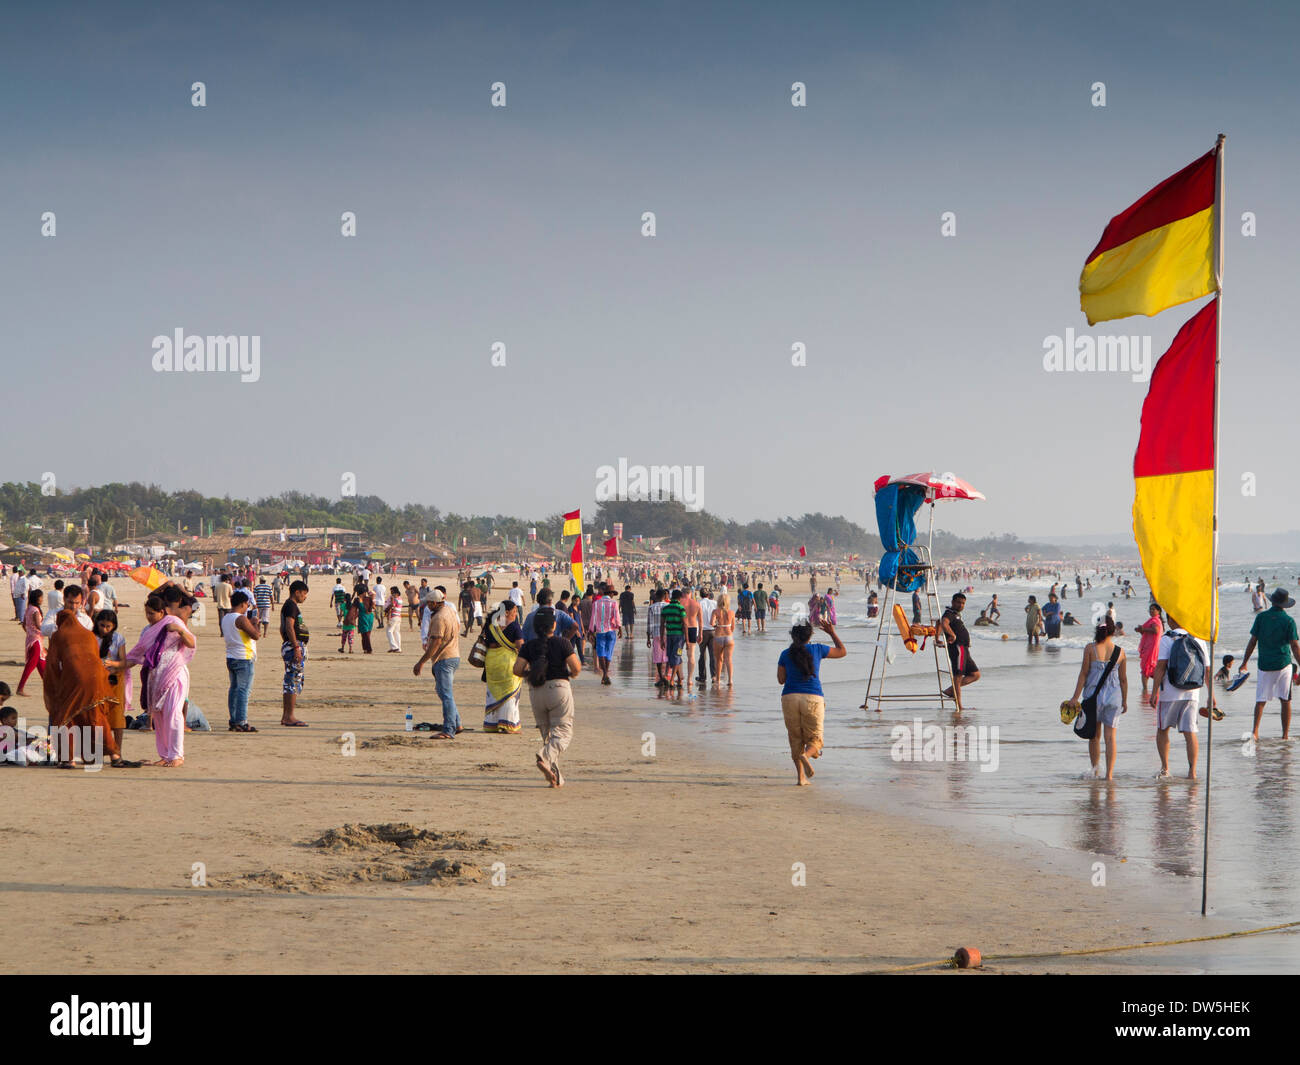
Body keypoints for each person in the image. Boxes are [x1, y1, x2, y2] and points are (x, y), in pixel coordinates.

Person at [45, 604, 137, 768]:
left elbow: (52, 665)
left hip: (75, 680)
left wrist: (56, 687)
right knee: (97, 716)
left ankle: (68, 759)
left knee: (67, 716)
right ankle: (115, 755)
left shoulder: (59, 635)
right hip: (98, 679)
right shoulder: (88, 634)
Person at [126, 586, 197, 767]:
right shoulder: (148, 630)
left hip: (175, 674)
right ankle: (165, 755)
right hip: (156, 677)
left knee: (174, 713)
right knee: (159, 716)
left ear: (162, 611)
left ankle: (177, 755)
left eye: (152, 613)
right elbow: (137, 653)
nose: (149, 617)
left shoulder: (174, 622)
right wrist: (118, 666)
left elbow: (190, 643)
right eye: (147, 613)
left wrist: (180, 631)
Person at [513, 610, 581, 787]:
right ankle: (544, 756)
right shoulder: (563, 643)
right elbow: (576, 668)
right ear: (555, 625)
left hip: (536, 692)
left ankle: (555, 778)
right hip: (559, 689)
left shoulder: (529, 646)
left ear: (535, 627)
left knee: (548, 736)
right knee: (563, 732)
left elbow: (517, 670)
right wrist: (569, 674)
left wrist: (531, 673)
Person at [777, 618, 846, 786]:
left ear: (793, 636)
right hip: (813, 697)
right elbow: (842, 651)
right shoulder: (817, 649)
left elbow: (781, 679)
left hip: (790, 697)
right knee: (816, 739)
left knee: (795, 739)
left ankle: (801, 778)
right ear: (810, 636)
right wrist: (831, 632)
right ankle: (806, 756)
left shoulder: (785, 653)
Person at [1149, 613, 1209, 780]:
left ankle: (1165, 768)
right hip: (1192, 692)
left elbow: (1161, 667)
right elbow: (1207, 670)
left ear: (1170, 620)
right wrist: (1211, 695)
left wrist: (1154, 692)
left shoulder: (1167, 639)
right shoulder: (1199, 639)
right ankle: (1192, 772)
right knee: (1190, 732)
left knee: (1163, 730)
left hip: (1169, 692)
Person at [1067, 617, 1127, 780]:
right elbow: (1123, 680)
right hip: (1114, 698)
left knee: (1094, 736)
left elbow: (1083, 674)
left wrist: (1074, 697)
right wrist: (1125, 701)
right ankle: (1109, 775)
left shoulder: (1090, 649)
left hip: (1093, 699)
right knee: (1110, 737)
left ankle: (1095, 771)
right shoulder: (1120, 652)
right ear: (1113, 630)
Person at [1239, 587, 1300, 742]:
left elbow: (1253, 642)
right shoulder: (1289, 621)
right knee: (1285, 700)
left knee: (1261, 700)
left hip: (1265, 664)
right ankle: (1285, 735)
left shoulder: (1261, 618)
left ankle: (1255, 732)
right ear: (1285, 604)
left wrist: (1244, 663)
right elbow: (1294, 646)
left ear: (1272, 601)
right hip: (1283, 664)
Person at [413, 589, 461, 738]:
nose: (427, 605)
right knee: (444, 693)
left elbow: (436, 642)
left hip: (444, 658)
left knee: (446, 695)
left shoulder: (439, 617)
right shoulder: (450, 611)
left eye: (429, 603)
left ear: (434, 603)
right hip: (453, 655)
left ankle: (449, 730)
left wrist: (421, 662)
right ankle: (457, 723)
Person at [95, 609, 134, 756]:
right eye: (102, 625)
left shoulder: (118, 639)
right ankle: (97, 751)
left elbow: (123, 661)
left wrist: (113, 664)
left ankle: (117, 752)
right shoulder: (92, 638)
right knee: (98, 718)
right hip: (97, 681)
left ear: (114, 626)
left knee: (117, 718)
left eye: (108, 627)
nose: (104, 629)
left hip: (115, 681)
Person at [482, 601, 525, 733]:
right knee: (510, 694)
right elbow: (520, 646)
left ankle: (492, 724)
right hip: (507, 663)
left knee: (494, 693)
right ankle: (508, 724)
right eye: (514, 611)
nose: (516, 613)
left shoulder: (491, 625)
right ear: (506, 612)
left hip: (491, 662)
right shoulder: (514, 626)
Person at [222, 590, 260, 732]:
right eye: (247, 605)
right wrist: (255, 623)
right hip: (243, 657)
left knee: (234, 689)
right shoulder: (241, 619)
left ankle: (234, 720)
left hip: (231, 656)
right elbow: (256, 635)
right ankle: (241, 721)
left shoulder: (226, 617)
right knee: (243, 690)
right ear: (244, 604)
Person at [938, 593, 980, 713]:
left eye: (963, 603)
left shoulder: (956, 615)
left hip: (964, 649)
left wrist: (937, 637)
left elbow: (938, 624)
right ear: (953, 602)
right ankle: (959, 705)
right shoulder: (949, 613)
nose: (961, 605)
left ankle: (951, 690)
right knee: (958, 675)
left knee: (975, 674)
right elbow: (943, 623)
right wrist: (952, 634)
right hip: (958, 648)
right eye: (958, 602)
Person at [279, 581, 310, 727]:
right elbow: (289, 627)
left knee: (291, 680)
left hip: (291, 645)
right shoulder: (291, 606)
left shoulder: (288, 606)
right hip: (294, 646)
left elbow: (282, 628)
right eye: (304, 594)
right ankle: (289, 716)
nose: (304, 597)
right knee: (292, 680)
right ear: (297, 592)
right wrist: (295, 646)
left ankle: (287, 716)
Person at [16, 589, 46, 696]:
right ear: (37, 598)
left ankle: (50, 687)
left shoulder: (29, 608)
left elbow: (24, 625)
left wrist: (29, 632)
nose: (42, 599)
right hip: (36, 640)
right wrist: (49, 630)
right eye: (41, 597)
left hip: (31, 638)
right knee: (31, 664)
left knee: (41, 664)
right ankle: (20, 688)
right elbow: (38, 625)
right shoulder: (35, 610)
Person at [1134, 603, 1164, 698]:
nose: (1151, 611)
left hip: (1152, 647)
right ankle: (1155, 687)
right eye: (1150, 609)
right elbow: (1147, 632)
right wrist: (1141, 630)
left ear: (1158, 611)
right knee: (1150, 666)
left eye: (1153, 609)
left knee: (1146, 666)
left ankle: (1145, 689)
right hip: (1150, 646)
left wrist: (1144, 629)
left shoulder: (1156, 620)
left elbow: (1155, 630)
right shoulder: (1153, 620)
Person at [660, 589, 687, 689]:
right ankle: (672, 680)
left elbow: (662, 625)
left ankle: (679, 680)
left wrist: (662, 639)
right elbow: (685, 625)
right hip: (679, 637)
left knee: (673, 656)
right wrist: (687, 640)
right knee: (677, 655)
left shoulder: (665, 609)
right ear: (680, 598)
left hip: (669, 635)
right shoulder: (681, 608)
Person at [713, 592, 736, 686]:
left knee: (719, 660)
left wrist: (717, 625)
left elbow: (711, 623)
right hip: (729, 637)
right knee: (729, 659)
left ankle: (718, 680)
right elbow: (733, 628)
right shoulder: (731, 612)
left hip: (718, 636)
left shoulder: (715, 611)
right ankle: (730, 680)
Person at [384, 586, 403, 652]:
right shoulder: (400, 599)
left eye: (392, 592)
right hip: (399, 616)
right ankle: (399, 648)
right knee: (397, 632)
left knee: (389, 631)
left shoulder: (394, 599)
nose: (391, 593)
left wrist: (386, 611)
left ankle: (394, 647)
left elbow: (392, 606)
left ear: (395, 592)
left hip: (393, 616)